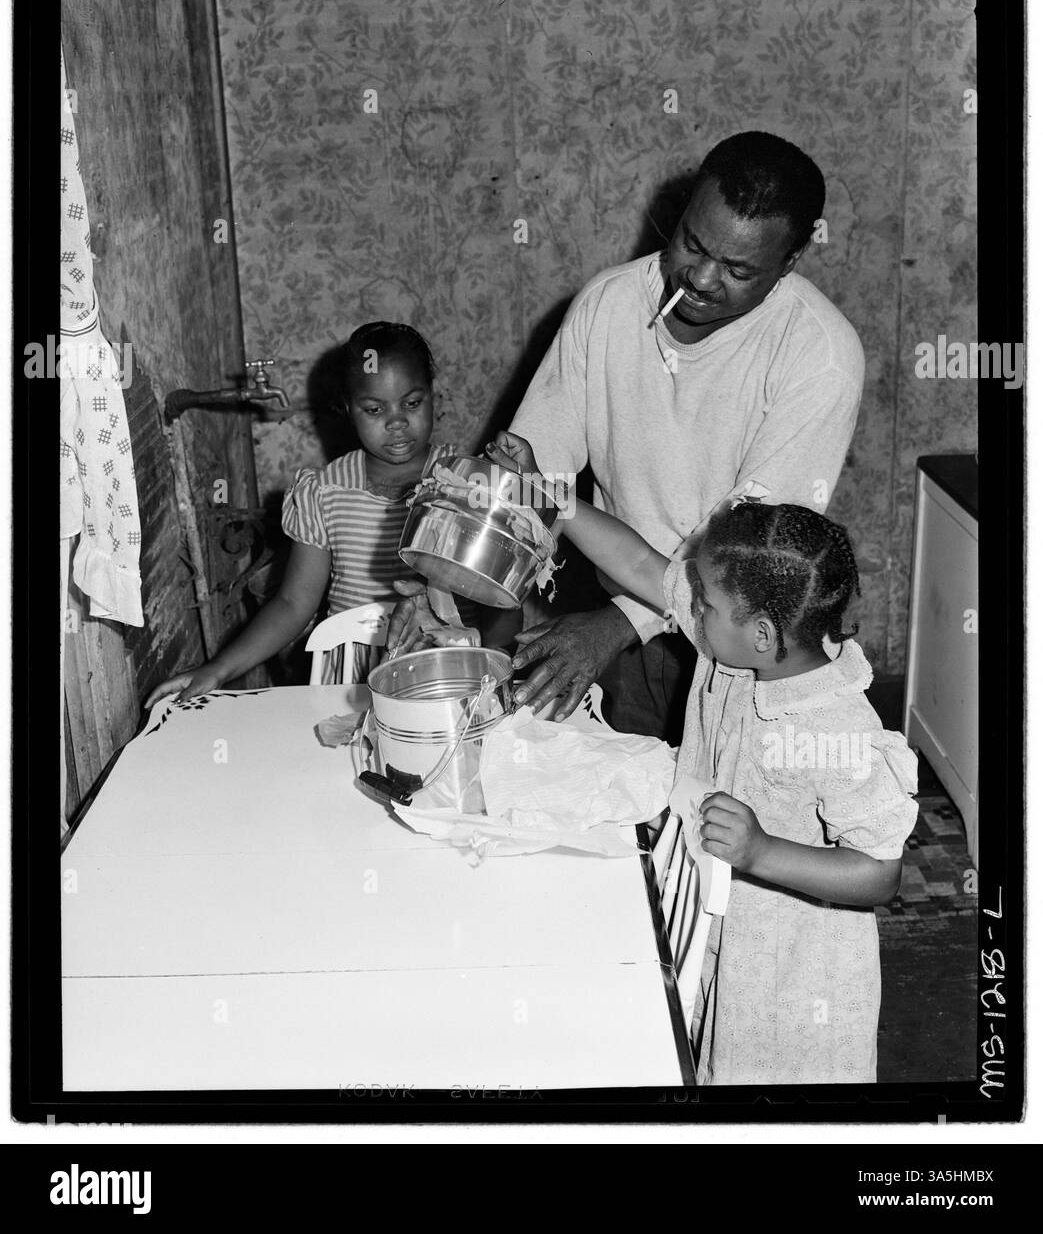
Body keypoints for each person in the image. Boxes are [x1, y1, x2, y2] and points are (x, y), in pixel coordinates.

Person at [486, 430, 919, 1084]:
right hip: (723, 926)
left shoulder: (836, 726)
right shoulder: (738, 649)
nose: (688, 605)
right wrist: (547, 498)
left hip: (795, 977)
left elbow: (880, 873)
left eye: (705, 602)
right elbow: (637, 564)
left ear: (763, 632)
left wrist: (760, 852)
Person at [500, 129, 865, 737]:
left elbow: (750, 568)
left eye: (738, 270)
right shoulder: (607, 306)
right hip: (629, 638)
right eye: (692, 244)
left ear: (790, 261)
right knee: (632, 819)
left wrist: (617, 623)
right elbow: (532, 480)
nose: (700, 278)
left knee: (733, 819)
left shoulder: (818, 357)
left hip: (752, 652)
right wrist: (439, 582)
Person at [145, 322, 505, 707]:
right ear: (349, 409)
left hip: (449, 676)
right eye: (375, 409)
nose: (397, 421)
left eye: (412, 403)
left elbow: (502, 601)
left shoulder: (467, 484)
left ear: (434, 397)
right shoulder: (325, 490)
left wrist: (497, 670)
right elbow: (293, 603)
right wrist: (217, 669)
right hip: (349, 684)